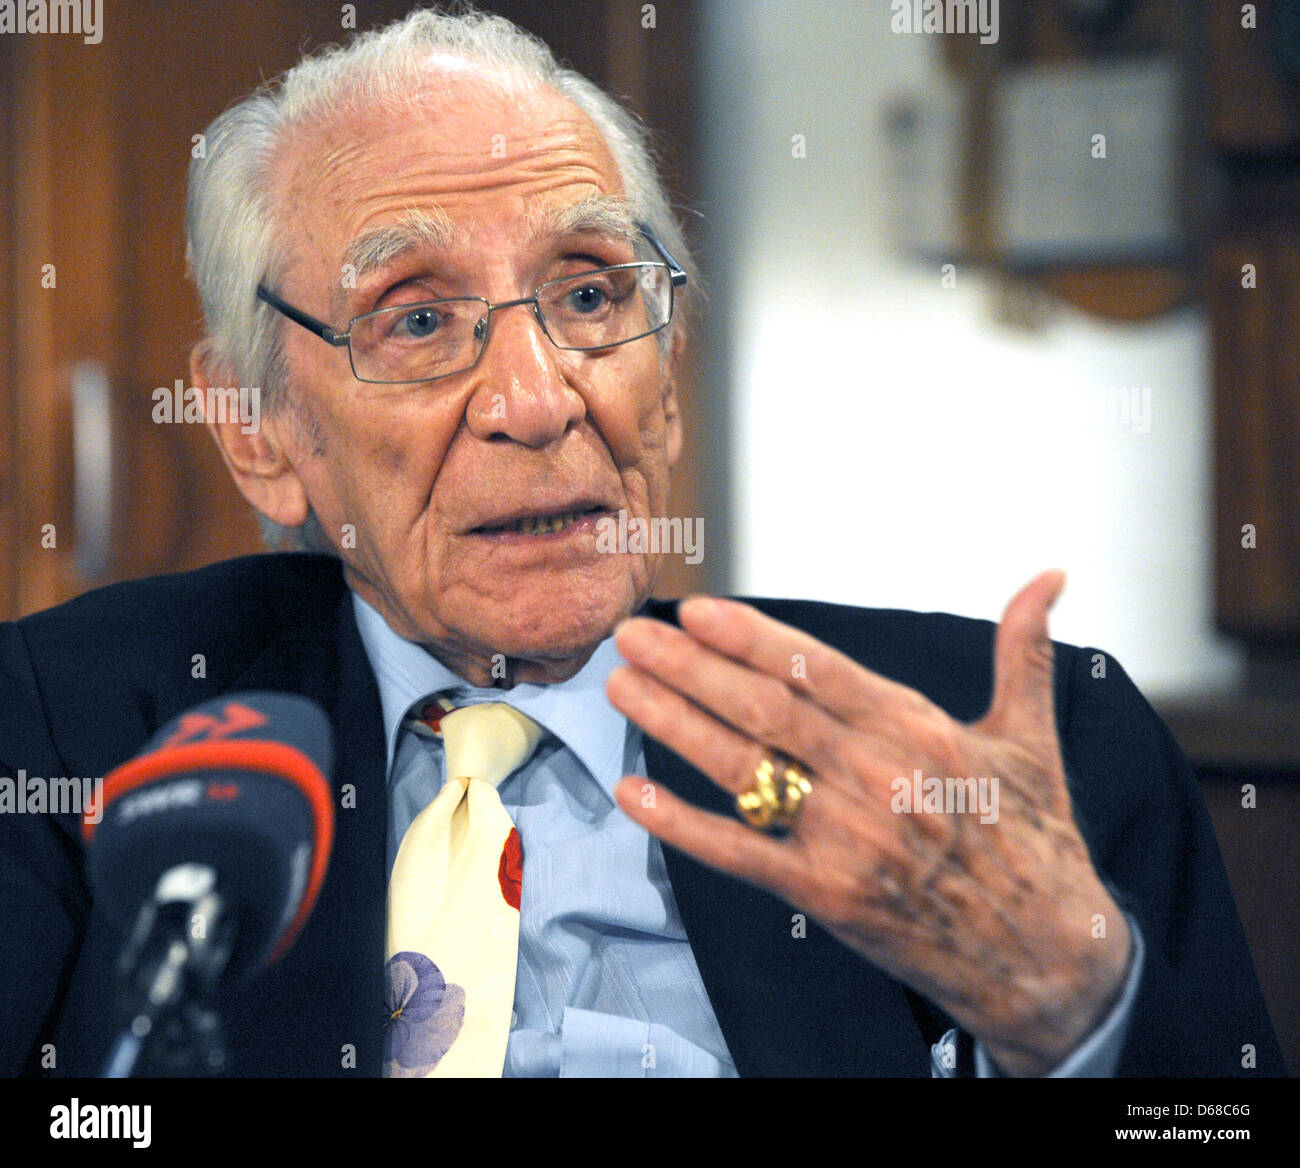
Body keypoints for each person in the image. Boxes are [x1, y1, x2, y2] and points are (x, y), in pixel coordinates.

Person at [0, 5, 1285, 1078]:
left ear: (664, 374)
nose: (539, 396)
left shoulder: (1001, 751)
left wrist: (1072, 1002)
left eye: (587, 294)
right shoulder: (72, 733)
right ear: (255, 426)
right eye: (415, 321)